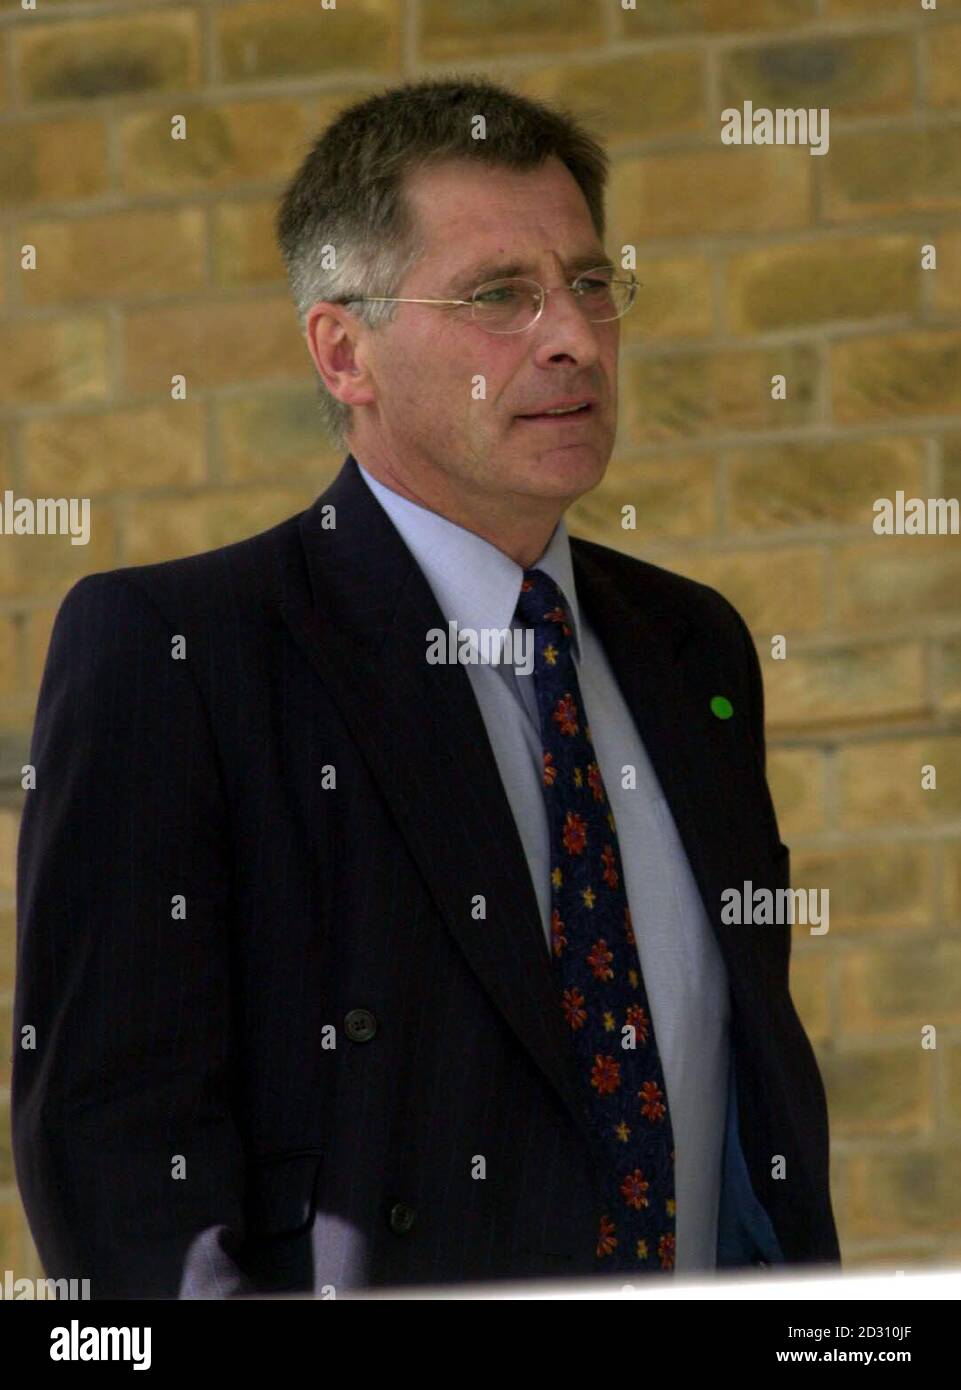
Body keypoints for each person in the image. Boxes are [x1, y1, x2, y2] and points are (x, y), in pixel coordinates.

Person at [12, 77, 839, 1298]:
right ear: (345, 351)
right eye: (499, 295)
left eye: (591, 285)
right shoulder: (177, 651)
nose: (570, 335)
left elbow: (743, 1095)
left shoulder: (690, 645)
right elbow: (116, 1156)